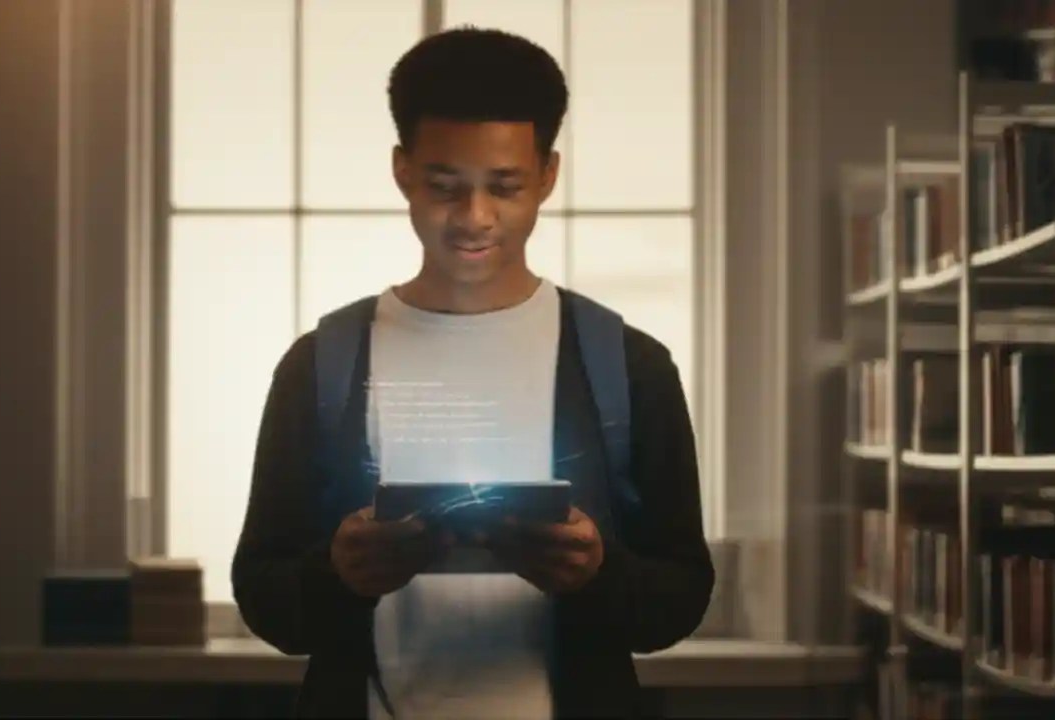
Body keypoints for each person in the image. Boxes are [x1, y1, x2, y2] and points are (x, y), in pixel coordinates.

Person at [231, 26, 714, 719]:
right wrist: (337, 573)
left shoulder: (629, 365)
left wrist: (597, 573)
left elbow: (682, 596)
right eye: (444, 186)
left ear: (548, 175)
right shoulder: (322, 364)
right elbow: (262, 594)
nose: (475, 218)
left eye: (505, 187)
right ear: (401, 170)